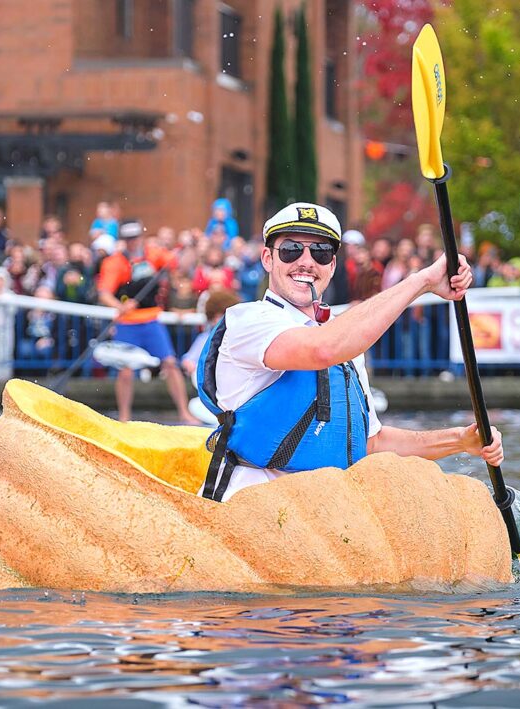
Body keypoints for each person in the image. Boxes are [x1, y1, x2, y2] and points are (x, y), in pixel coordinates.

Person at [195, 202, 502, 503]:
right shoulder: (247, 320)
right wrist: (422, 281)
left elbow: (373, 443)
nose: (306, 262)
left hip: (327, 515)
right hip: (247, 508)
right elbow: (322, 350)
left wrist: (460, 440)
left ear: (332, 266)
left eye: (320, 252)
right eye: (290, 250)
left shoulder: (348, 344)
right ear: (267, 258)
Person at [96, 219, 199, 424]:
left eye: (135, 238)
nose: (133, 242)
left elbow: (182, 265)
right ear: (123, 240)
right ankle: (124, 418)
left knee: (170, 363)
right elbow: (104, 293)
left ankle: (183, 413)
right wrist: (120, 306)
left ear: (140, 237)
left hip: (151, 319)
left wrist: (192, 245)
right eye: (128, 239)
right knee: (126, 370)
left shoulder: (154, 254)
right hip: (127, 321)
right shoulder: (114, 262)